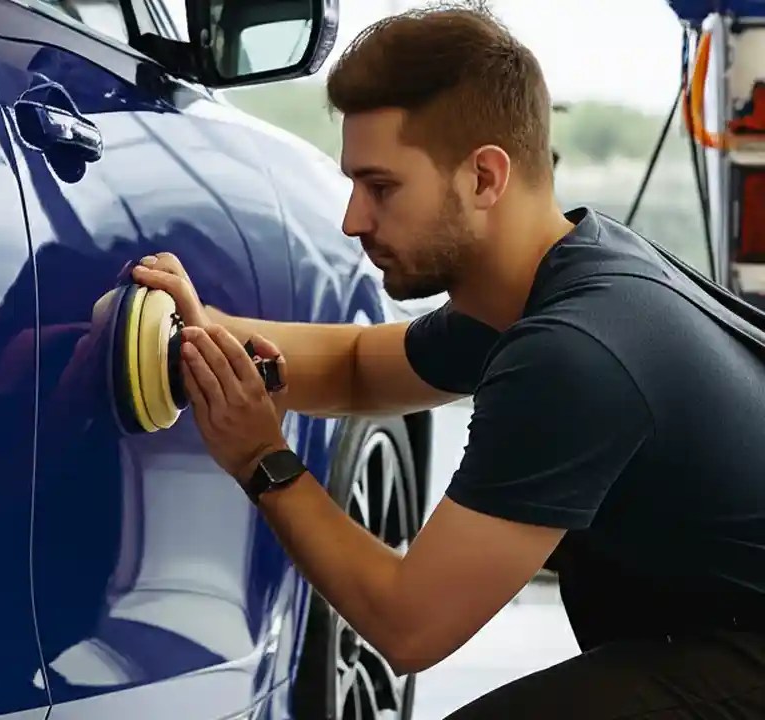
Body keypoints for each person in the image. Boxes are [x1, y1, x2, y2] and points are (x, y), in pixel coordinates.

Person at [130, 4, 765, 718]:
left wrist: (261, 458)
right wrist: (199, 333)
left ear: (484, 178)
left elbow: (411, 626)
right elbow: (361, 366)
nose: (352, 220)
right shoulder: (559, 279)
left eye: (382, 188)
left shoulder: (576, 351)